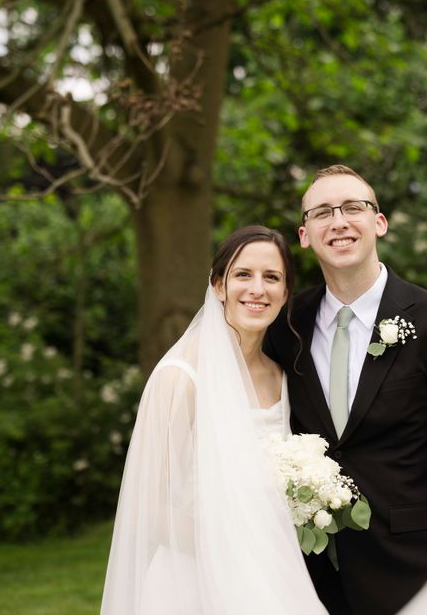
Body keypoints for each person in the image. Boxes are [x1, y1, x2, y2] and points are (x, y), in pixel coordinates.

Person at [265, 165, 427, 615]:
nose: (339, 221)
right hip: (310, 577)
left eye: (354, 207)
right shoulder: (285, 326)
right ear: (305, 234)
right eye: (323, 212)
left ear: (379, 222)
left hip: (415, 570)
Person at [101, 226, 326, 614]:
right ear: (218, 285)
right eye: (243, 275)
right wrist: (236, 545)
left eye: (271, 278)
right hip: (191, 581)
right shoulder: (181, 377)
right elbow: (150, 507)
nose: (257, 289)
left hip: (273, 574)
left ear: (285, 293)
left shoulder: (281, 376)